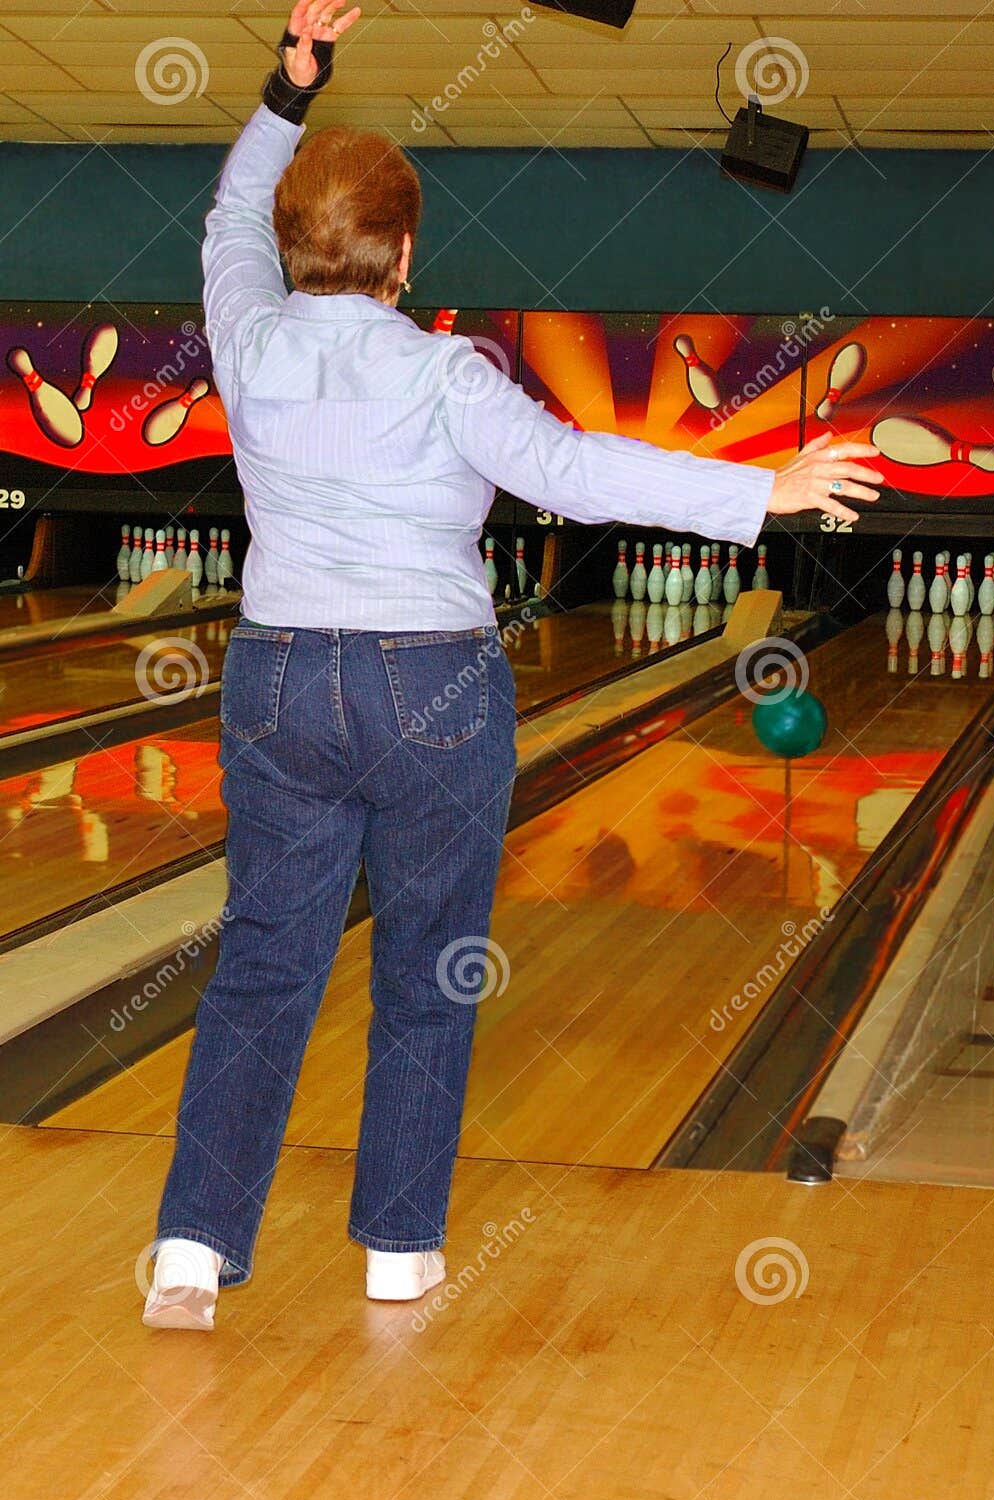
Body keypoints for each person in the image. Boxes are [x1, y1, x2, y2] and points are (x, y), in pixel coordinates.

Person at [143, 0, 883, 1330]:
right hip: (431, 685)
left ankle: (193, 1253)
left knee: (261, 962)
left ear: (291, 247)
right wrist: (760, 489)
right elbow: (577, 474)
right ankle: (397, 1250)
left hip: (276, 680)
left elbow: (226, 217)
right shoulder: (449, 377)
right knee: (428, 964)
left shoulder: (246, 340)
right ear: (403, 252)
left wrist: (289, 88)